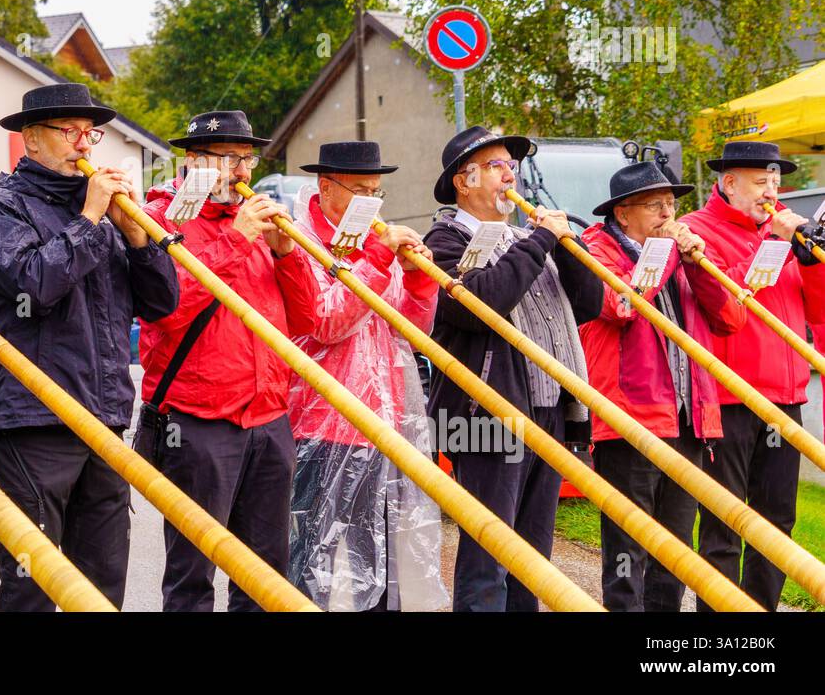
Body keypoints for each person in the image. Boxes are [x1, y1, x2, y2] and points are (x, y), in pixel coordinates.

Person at [0, 83, 179, 611]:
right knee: (32, 584)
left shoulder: (107, 216)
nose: (85, 145)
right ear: (31, 140)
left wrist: (135, 235)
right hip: (34, 419)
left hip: (104, 420)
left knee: (103, 584)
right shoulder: (1, 209)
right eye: (70, 132)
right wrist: (89, 219)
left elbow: (161, 304)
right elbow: (32, 285)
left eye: (91, 133)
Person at [139, 109, 318, 611]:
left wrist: (287, 254)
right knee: (193, 574)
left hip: (269, 416)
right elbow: (168, 310)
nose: (243, 172)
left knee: (264, 574)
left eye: (247, 158)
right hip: (198, 422)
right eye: (230, 159)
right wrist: (236, 239)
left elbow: (305, 322)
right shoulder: (160, 219)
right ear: (194, 162)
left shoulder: (260, 226)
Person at [423, 125, 602, 611]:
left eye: (513, 167)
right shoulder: (443, 239)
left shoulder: (530, 239)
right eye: (498, 166)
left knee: (533, 558)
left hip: (547, 409)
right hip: (482, 413)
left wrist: (566, 246)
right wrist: (541, 239)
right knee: (490, 554)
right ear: (465, 180)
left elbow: (589, 305)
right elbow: (480, 301)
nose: (511, 177)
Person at [286, 140, 448, 612]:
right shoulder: (301, 240)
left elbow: (411, 333)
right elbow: (328, 322)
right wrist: (377, 259)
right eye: (359, 190)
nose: (370, 202)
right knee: (310, 561)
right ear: (324, 186)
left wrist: (419, 278)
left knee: (377, 560)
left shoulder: (373, 239)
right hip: (321, 424)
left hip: (383, 421)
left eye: (376, 191)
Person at [579, 159, 745, 610]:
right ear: (622, 213)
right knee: (628, 550)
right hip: (628, 419)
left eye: (672, 205)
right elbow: (619, 305)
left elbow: (731, 318)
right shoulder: (594, 250)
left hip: (689, 419)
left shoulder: (681, 255)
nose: (669, 216)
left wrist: (698, 264)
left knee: (674, 550)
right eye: (656, 206)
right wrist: (670, 254)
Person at [681, 141, 825, 610]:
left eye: (776, 183)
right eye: (761, 182)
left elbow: (817, 313)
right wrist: (777, 244)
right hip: (728, 397)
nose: (772, 192)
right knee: (724, 524)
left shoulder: (782, 235)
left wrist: (810, 260)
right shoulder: (697, 232)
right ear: (728, 183)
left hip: (785, 397)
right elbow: (728, 311)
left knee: (778, 523)